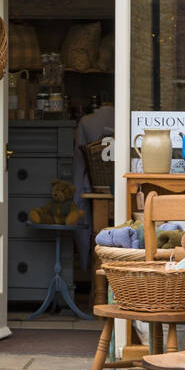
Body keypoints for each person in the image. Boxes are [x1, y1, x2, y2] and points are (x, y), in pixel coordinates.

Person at [72, 101, 114, 272]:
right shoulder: (125, 116)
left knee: (90, 221)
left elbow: (79, 162)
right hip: (120, 182)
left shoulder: (86, 122)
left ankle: (87, 266)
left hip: (96, 185)